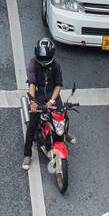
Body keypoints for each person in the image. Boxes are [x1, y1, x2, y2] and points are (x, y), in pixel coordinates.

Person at [22, 37, 65, 170]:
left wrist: (52, 101)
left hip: (53, 96)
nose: (44, 63)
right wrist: (33, 102)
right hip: (39, 97)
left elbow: (58, 85)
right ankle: (27, 155)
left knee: (62, 115)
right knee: (32, 126)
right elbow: (32, 84)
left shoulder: (56, 65)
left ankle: (65, 132)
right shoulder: (33, 64)